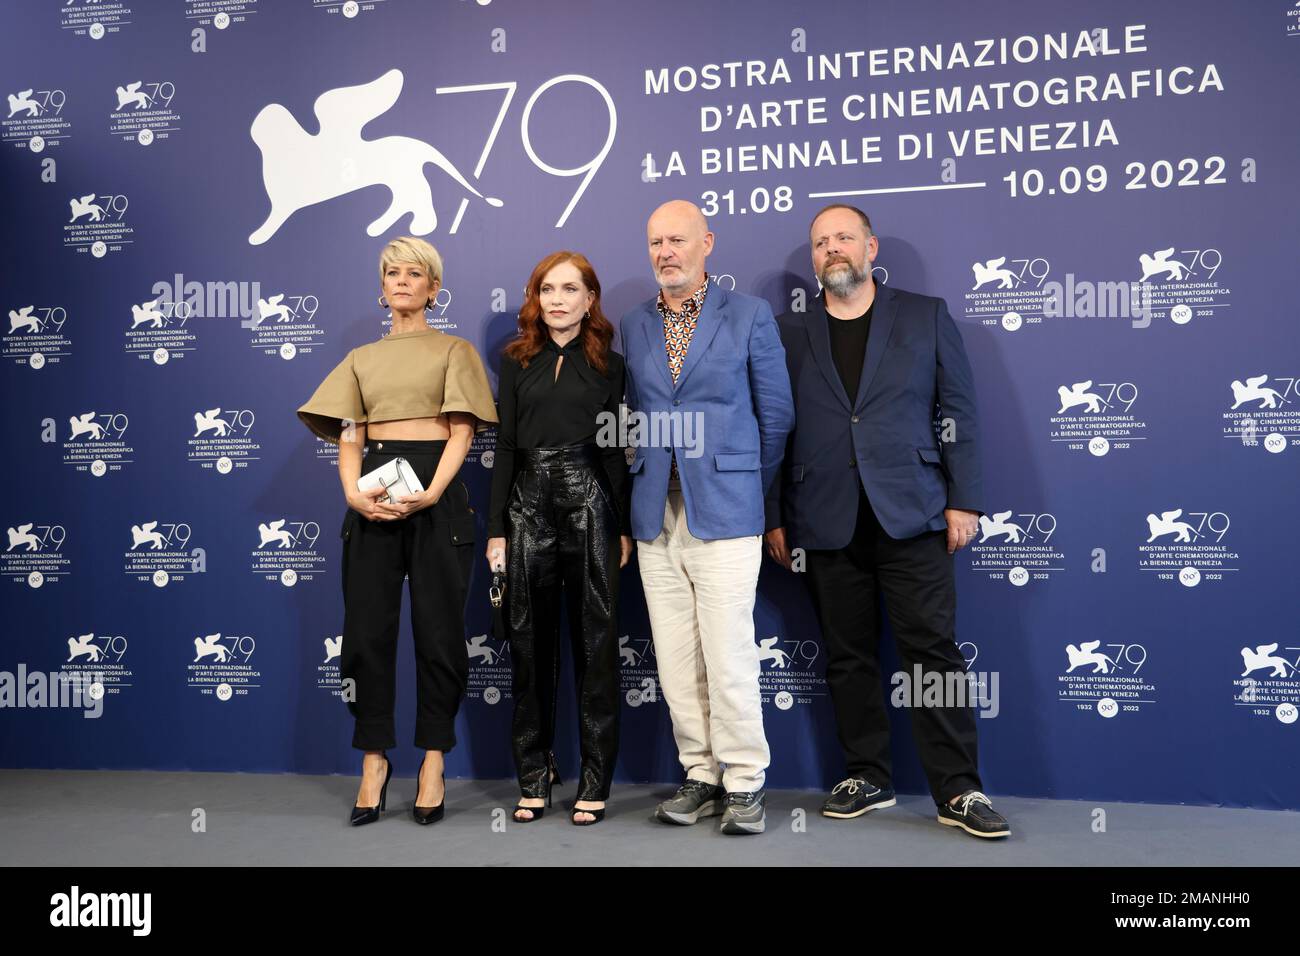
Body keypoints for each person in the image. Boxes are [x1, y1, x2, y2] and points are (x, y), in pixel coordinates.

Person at [764, 204, 1010, 838]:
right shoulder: (790, 334)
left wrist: (964, 500)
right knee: (847, 658)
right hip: (823, 518)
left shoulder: (925, 315)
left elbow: (960, 411)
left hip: (915, 514)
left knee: (933, 655)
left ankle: (958, 789)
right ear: (813, 259)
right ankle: (866, 775)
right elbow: (775, 432)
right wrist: (774, 516)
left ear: (870, 248)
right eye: (821, 243)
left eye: (844, 238)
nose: (832, 250)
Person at [297, 236, 497, 827]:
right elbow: (350, 435)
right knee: (364, 635)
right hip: (374, 499)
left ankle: (433, 759)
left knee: (439, 633)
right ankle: (374, 760)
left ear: (434, 288)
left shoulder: (455, 349)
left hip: (438, 499)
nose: (403, 281)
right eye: (392, 273)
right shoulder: (360, 358)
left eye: (415, 273)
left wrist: (433, 491)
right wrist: (352, 493)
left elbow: (462, 430)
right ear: (381, 286)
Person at [621, 200, 794, 835]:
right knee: (674, 658)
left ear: (707, 244)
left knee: (728, 656)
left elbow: (775, 417)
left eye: (677, 240)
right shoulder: (633, 324)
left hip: (725, 511)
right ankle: (700, 774)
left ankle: (745, 780)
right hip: (653, 515)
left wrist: (742, 481)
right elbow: (632, 415)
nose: (665, 251)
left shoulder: (747, 316)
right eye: (654, 241)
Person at [485, 251, 633, 826]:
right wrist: (496, 527)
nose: (557, 299)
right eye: (547, 289)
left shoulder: (611, 366)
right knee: (527, 644)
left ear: (589, 298)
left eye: (570, 289)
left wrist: (619, 525)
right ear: (535, 297)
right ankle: (534, 771)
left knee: (597, 645)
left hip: (590, 502)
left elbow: (616, 453)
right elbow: (504, 450)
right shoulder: (515, 360)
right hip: (526, 506)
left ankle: (595, 777)